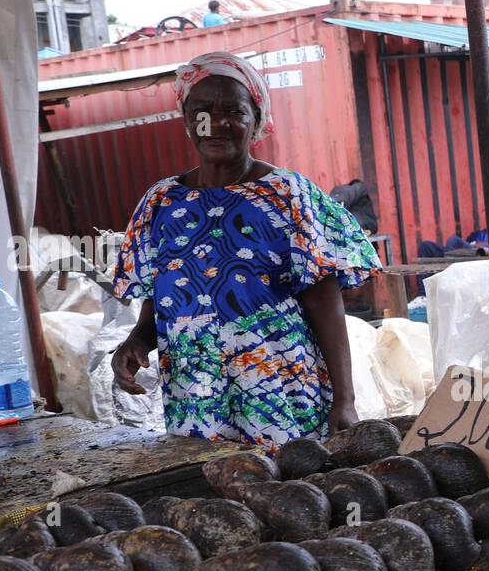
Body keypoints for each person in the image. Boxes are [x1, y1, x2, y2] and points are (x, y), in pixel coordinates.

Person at [111, 51, 380, 449]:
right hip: (195, 398)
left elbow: (325, 300)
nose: (217, 123)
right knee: (209, 484)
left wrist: (345, 399)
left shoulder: (287, 194)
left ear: (256, 120)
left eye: (234, 112)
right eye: (202, 111)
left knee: (292, 482)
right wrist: (136, 340)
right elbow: (158, 295)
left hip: (279, 392)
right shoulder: (160, 203)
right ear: (187, 120)